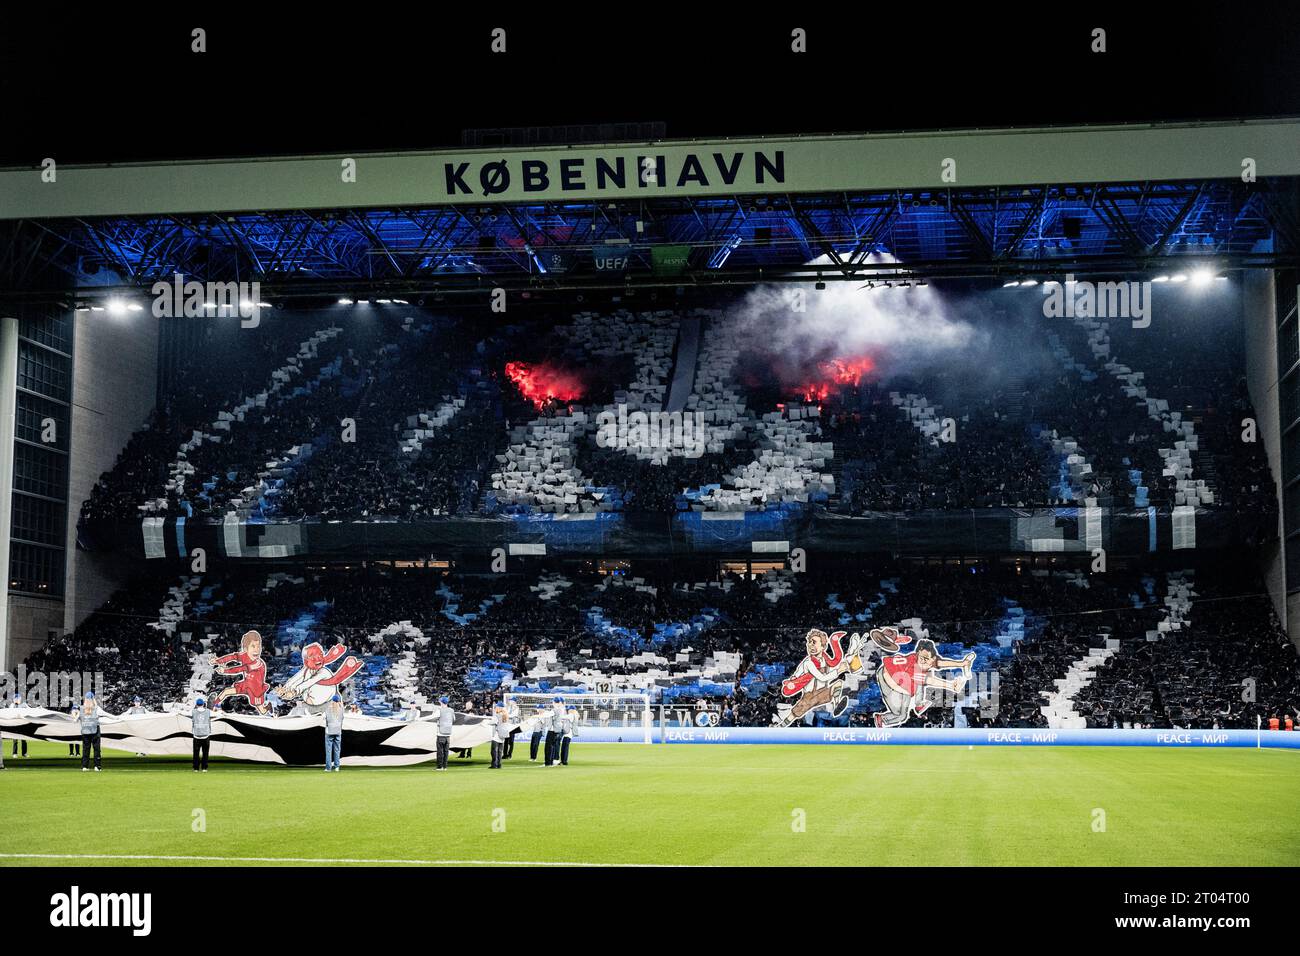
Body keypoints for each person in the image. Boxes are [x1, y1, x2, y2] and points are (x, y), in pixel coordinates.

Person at [80, 692, 102, 772]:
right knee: (96, 749)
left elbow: (76, 718)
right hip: (95, 730)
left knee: (85, 749)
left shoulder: (81, 708)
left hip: (85, 731)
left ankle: (84, 766)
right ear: (93, 699)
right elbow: (104, 714)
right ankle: (97, 766)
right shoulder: (96, 708)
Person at [324, 694, 344, 772]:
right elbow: (342, 719)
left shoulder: (328, 709)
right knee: (337, 749)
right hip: (338, 730)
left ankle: (328, 768)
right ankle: (337, 767)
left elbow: (325, 719)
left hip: (329, 731)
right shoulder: (341, 709)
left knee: (328, 750)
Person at [191, 697, 212, 772]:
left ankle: (196, 768)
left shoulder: (193, 711)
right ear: (203, 704)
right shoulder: (208, 711)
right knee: (205, 753)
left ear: (196, 704)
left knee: (196, 753)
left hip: (196, 735)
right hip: (206, 735)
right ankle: (204, 768)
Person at [435, 695, 453, 771]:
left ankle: (440, 767)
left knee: (440, 751)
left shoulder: (439, 710)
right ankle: (445, 766)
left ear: (441, 702)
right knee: (446, 751)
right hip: (448, 734)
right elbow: (453, 719)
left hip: (441, 733)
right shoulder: (451, 710)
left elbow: (433, 717)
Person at [544, 697, 564, 767]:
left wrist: (543, 713)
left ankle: (548, 762)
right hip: (557, 730)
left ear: (554, 702)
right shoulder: (561, 709)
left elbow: (548, 715)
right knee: (552, 746)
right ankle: (551, 761)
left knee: (548, 747)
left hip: (553, 730)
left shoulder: (555, 710)